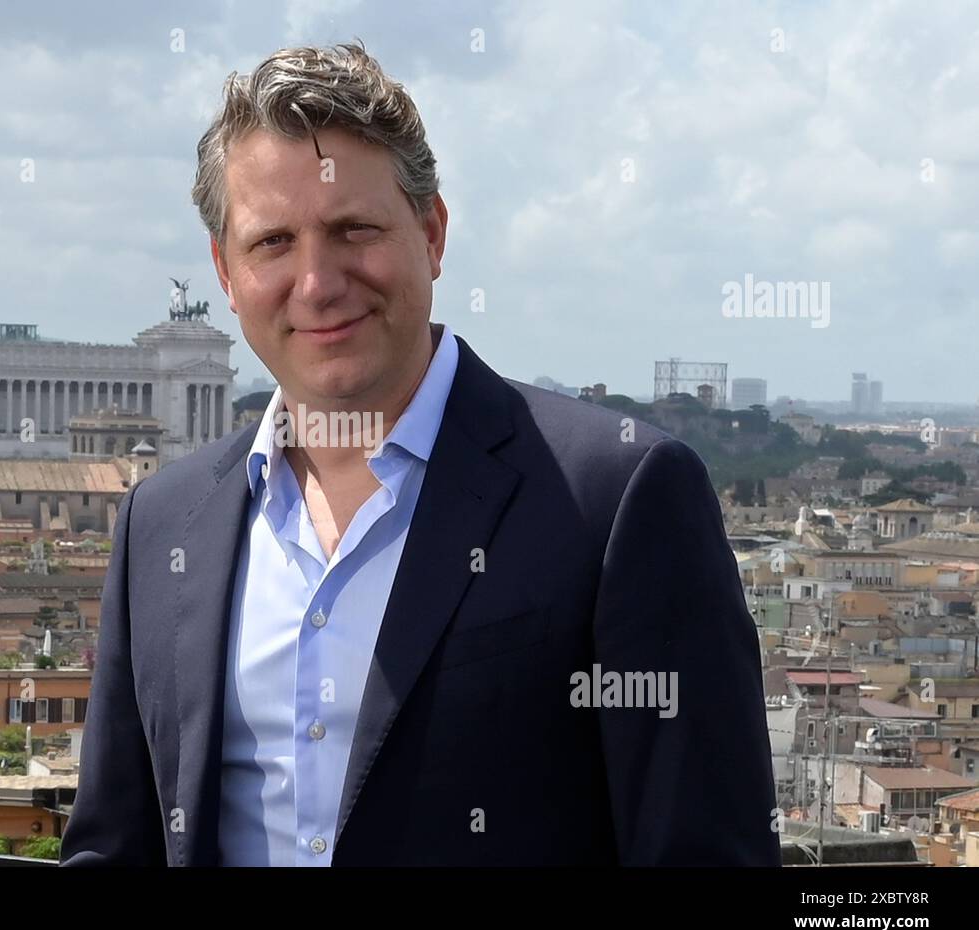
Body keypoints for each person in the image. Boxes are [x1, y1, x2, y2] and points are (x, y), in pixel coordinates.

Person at [60, 41, 779, 866]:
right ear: (225, 273)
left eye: (353, 230)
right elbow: (115, 847)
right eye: (273, 244)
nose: (318, 282)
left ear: (431, 234)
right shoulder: (162, 523)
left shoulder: (618, 499)